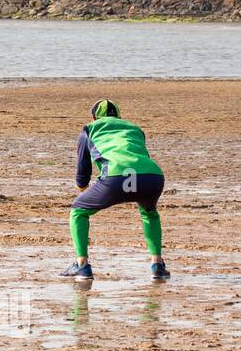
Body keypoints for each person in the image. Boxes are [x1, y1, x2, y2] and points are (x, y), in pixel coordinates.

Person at [65, 99, 169, 280]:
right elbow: (141, 155)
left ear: (94, 116)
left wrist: (83, 188)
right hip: (152, 177)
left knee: (78, 211)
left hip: (115, 177)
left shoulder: (89, 129)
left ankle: (82, 266)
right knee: (149, 213)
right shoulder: (135, 128)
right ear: (119, 116)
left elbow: (83, 169)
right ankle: (157, 265)